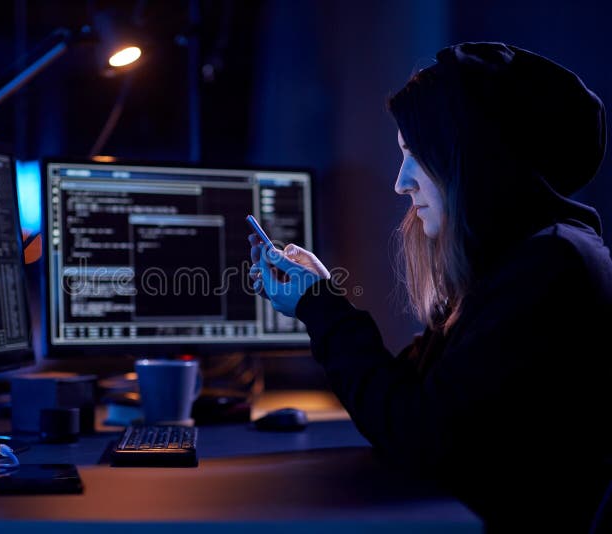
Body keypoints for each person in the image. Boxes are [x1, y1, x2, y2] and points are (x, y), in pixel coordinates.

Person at [248, 42, 612, 532]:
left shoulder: (551, 267)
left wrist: (321, 306)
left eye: (416, 155)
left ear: (476, 158)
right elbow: (402, 402)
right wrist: (320, 294)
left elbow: (417, 432)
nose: (401, 182)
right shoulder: (519, 262)